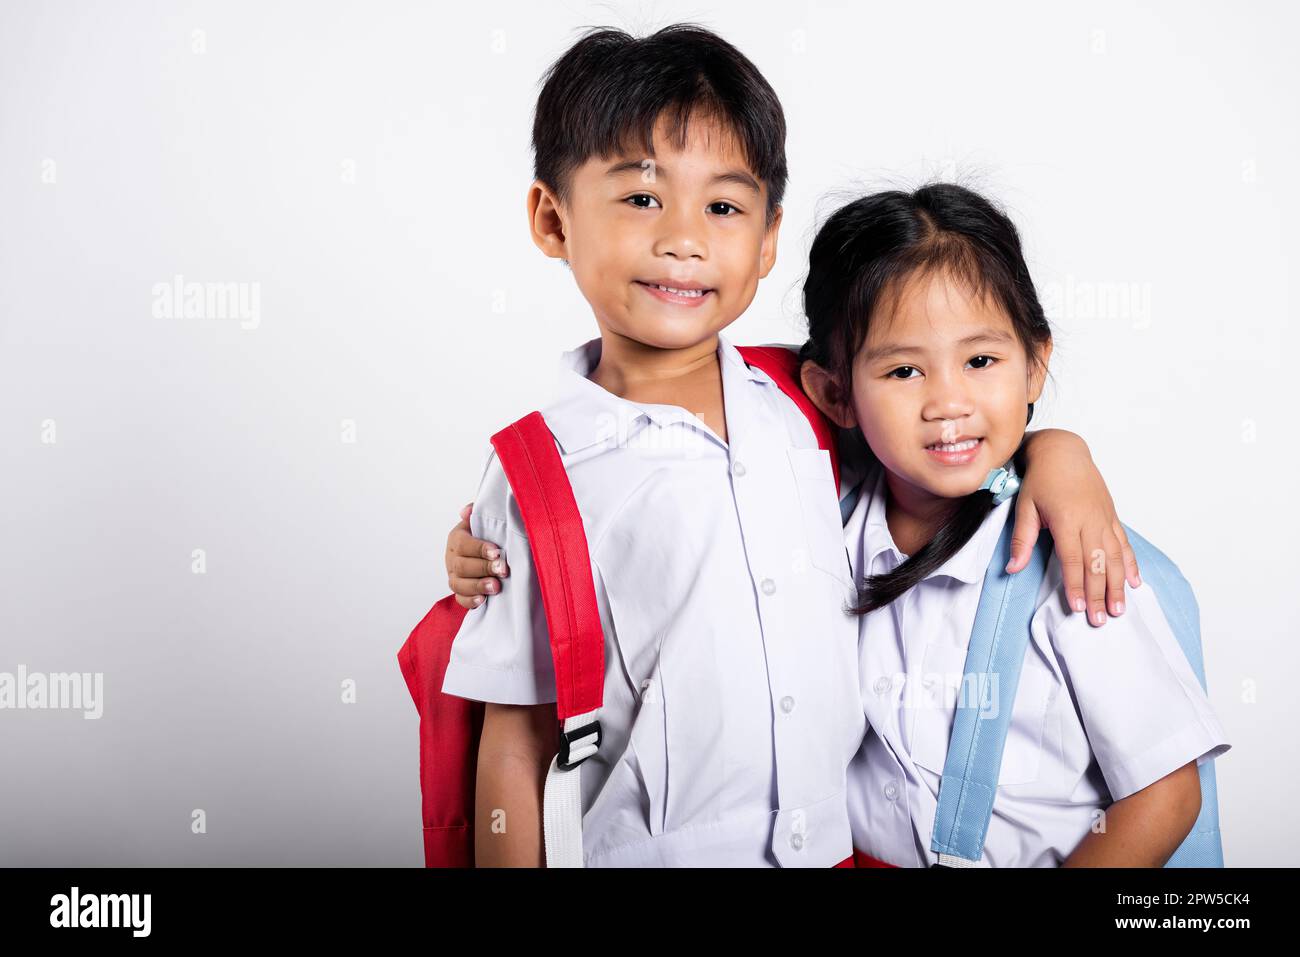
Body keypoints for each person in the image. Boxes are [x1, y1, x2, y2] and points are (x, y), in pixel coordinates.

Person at [440, 24, 1139, 868]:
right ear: (553, 220)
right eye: (641, 198)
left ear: (768, 238)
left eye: (724, 207)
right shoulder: (535, 478)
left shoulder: (804, 409)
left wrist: (1058, 448)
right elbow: (515, 737)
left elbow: (943, 438)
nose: (685, 239)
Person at [797, 184, 1229, 866]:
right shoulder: (823, 528)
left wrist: (1056, 445)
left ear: (1035, 365)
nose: (948, 402)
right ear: (835, 394)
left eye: (980, 361)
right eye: (904, 369)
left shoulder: (1078, 559)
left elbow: (1165, 797)